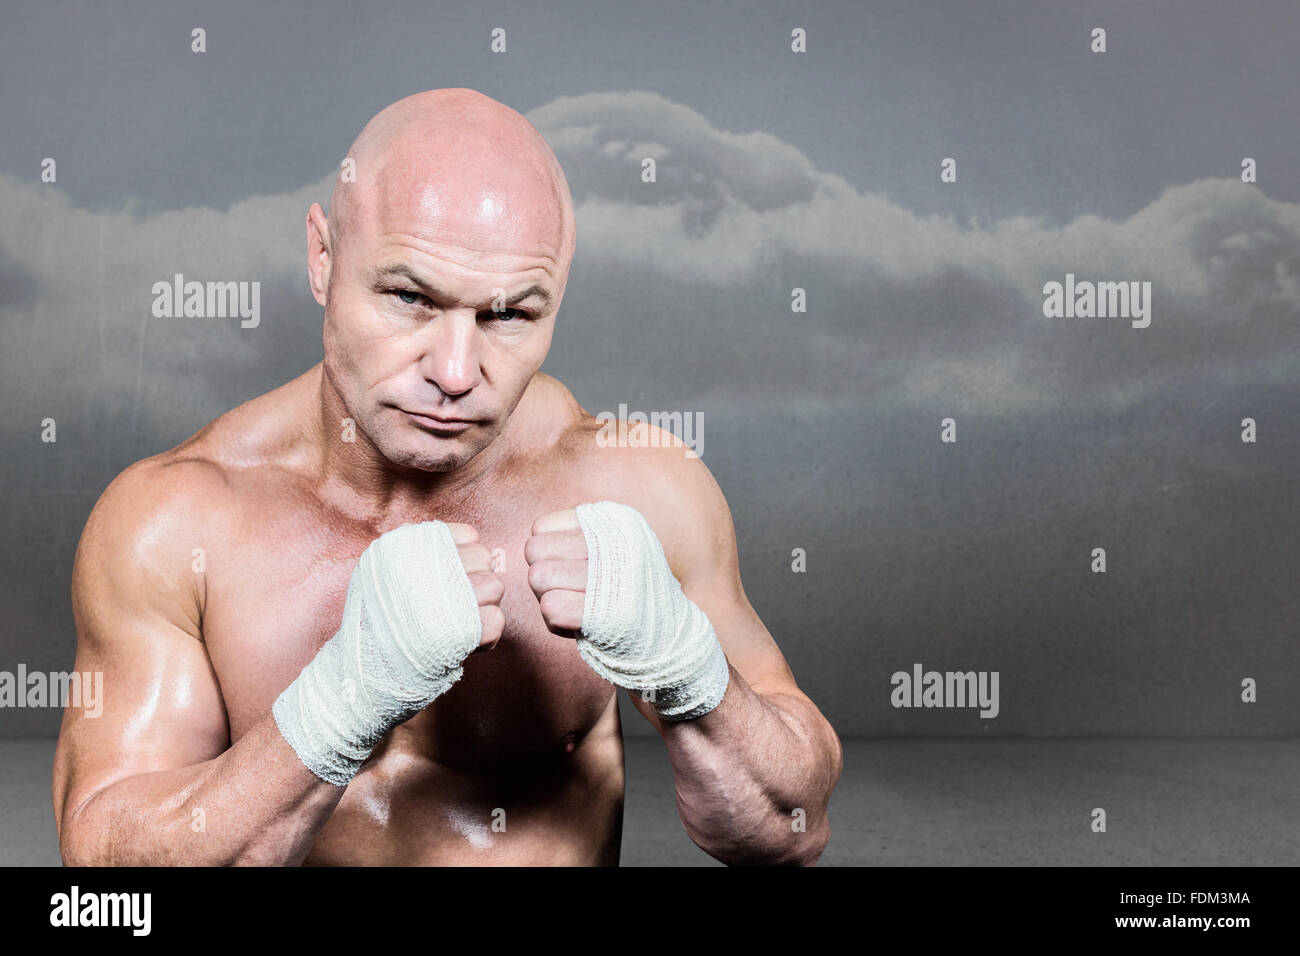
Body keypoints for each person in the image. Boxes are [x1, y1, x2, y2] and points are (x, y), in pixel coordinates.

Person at [52, 88, 842, 866]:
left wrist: (687, 668)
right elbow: (108, 880)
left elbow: (792, 827)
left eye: (509, 315)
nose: (457, 372)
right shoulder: (176, 520)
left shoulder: (637, 487)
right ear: (323, 259)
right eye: (408, 297)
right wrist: (341, 704)